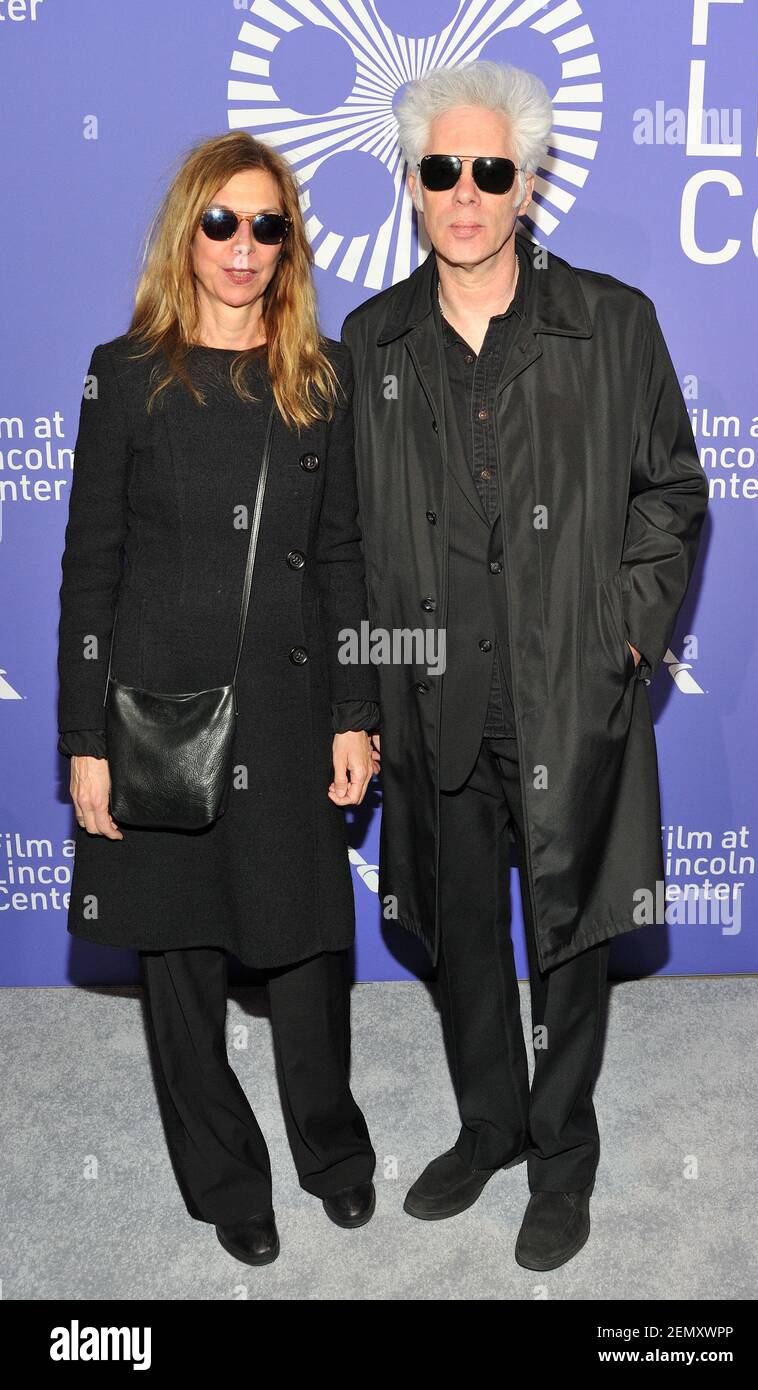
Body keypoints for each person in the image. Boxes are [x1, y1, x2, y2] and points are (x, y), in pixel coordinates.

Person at [341, 60, 709, 1271]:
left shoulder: (611, 322)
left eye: (490, 170)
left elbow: (672, 493)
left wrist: (627, 631)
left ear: (527, 183)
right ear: (411, 184)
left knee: (573, 934)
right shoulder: (372, 339)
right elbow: (345, 538)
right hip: (433, 694)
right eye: (442, 169)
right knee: (460, 934)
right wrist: (366, 689)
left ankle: (564, 1155)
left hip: (569, 698)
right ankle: (489, 1123)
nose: (465, 191)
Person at [57, 131, 381, 1267]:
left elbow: (343, 560)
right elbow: (90, 568)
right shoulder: (128, 373)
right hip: (161, 712)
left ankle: (332, 1150)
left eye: (268, 226)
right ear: (187, 231)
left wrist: (355, 711)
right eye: (223, 222)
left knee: (302, 952)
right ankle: (224, 1177)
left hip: (291, 714)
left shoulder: (322, 381)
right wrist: (82, 736)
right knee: (181, 955)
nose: (244, 247)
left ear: (290, 244)